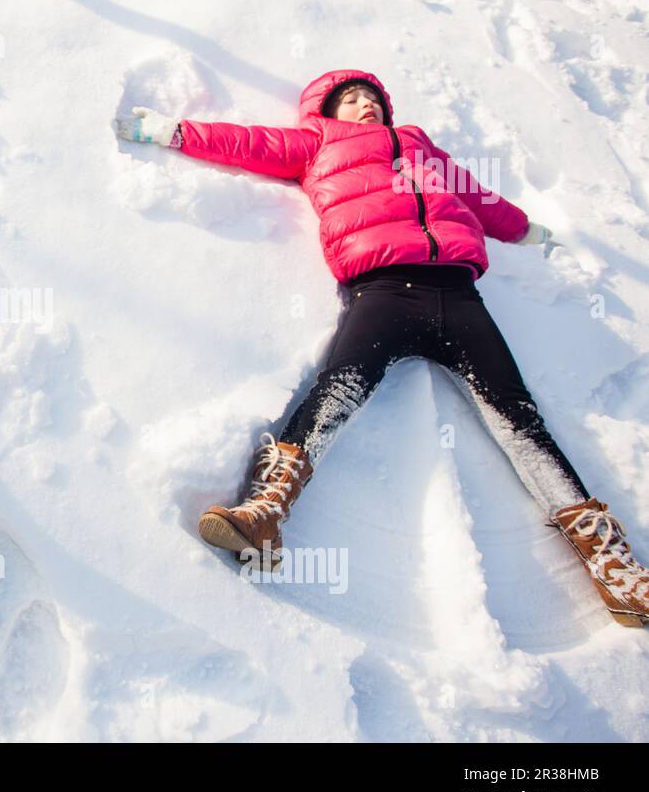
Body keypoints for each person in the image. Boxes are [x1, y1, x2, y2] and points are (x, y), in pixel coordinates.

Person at [116, 69, 648, 627]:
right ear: (327, 110)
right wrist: (170, 131)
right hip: (383, 289)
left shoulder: (418, 145)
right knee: (337, 389)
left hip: (458, 294)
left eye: (372, 99)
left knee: (520, 420)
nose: (365, 106)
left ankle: (613, 566)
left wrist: (528, 232)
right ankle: (265, 510)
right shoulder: (317, 142)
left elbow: (476, 197)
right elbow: (250, 144)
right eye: (351, 99)